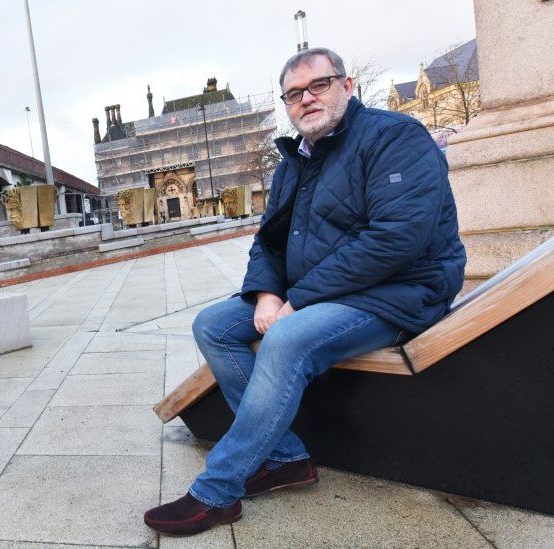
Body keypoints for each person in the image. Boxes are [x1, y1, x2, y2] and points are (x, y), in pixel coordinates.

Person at [144, 47, 466, 536]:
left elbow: (397, 237)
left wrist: (298, 301)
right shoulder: (295, 160)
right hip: (323, 292)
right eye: (294, 94)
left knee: (287, 339)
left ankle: (217, 491)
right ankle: (286, 458)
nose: (307, 99)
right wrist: (268, 294)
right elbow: (269, 240)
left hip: (402, 289)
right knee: (212, 325)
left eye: (319, 85)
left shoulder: (395, 137)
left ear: (347, 85)